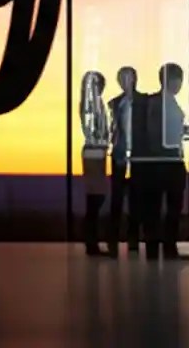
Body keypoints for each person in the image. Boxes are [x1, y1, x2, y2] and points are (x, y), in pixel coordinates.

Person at [145, 62, 189, 261]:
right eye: (178, 79)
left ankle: (160, 249)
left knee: (164, 208)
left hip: (165, 161)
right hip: (165, 162)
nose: (179, 84)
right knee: (164, 208)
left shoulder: (164, 102)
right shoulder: (160, 103)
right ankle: (162, 249)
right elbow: (156, 133)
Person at [106, 66, 140, 256]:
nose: (126, 81)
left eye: (129, 77)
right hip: (119, 155)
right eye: (123, 78)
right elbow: (113, 128)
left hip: (137, 157)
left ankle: (133, 239)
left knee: (136, 200)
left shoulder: (143, 102)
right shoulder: (115, 103)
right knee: (117, 199)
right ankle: (113, 240)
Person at [79, 70, 110, 256]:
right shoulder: (92, 105)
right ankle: (91, 242)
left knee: (96, 198)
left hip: (96, 152)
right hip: (94, 153)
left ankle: (91, 242)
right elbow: (93, 129)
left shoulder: (93, 103)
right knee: (95, 197)